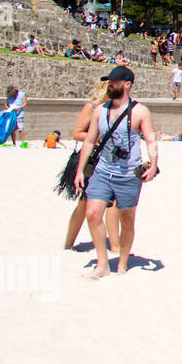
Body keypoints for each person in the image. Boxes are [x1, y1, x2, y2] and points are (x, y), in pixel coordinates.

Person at [73, 66, 159, 277]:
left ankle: (122, 263)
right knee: (92, 213)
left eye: (114, 82)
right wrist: (79, 171)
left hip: (129, 173)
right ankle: (102, 264)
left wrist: (154, 163)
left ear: (127, 84)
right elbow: (90, 141)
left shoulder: (140, 112)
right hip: (102, 171)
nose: (110, 85)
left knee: (127, 219)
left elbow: (150, 139)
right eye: (109, 81)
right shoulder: (99, 111)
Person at [64, 78, 120, 252]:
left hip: (109, 159)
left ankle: (116, 246)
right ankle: (68, 244)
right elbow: (77, 133)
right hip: (92, 159)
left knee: (114, 201)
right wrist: (97, 138)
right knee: (84, 203)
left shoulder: (113, 109)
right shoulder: (92, 107)